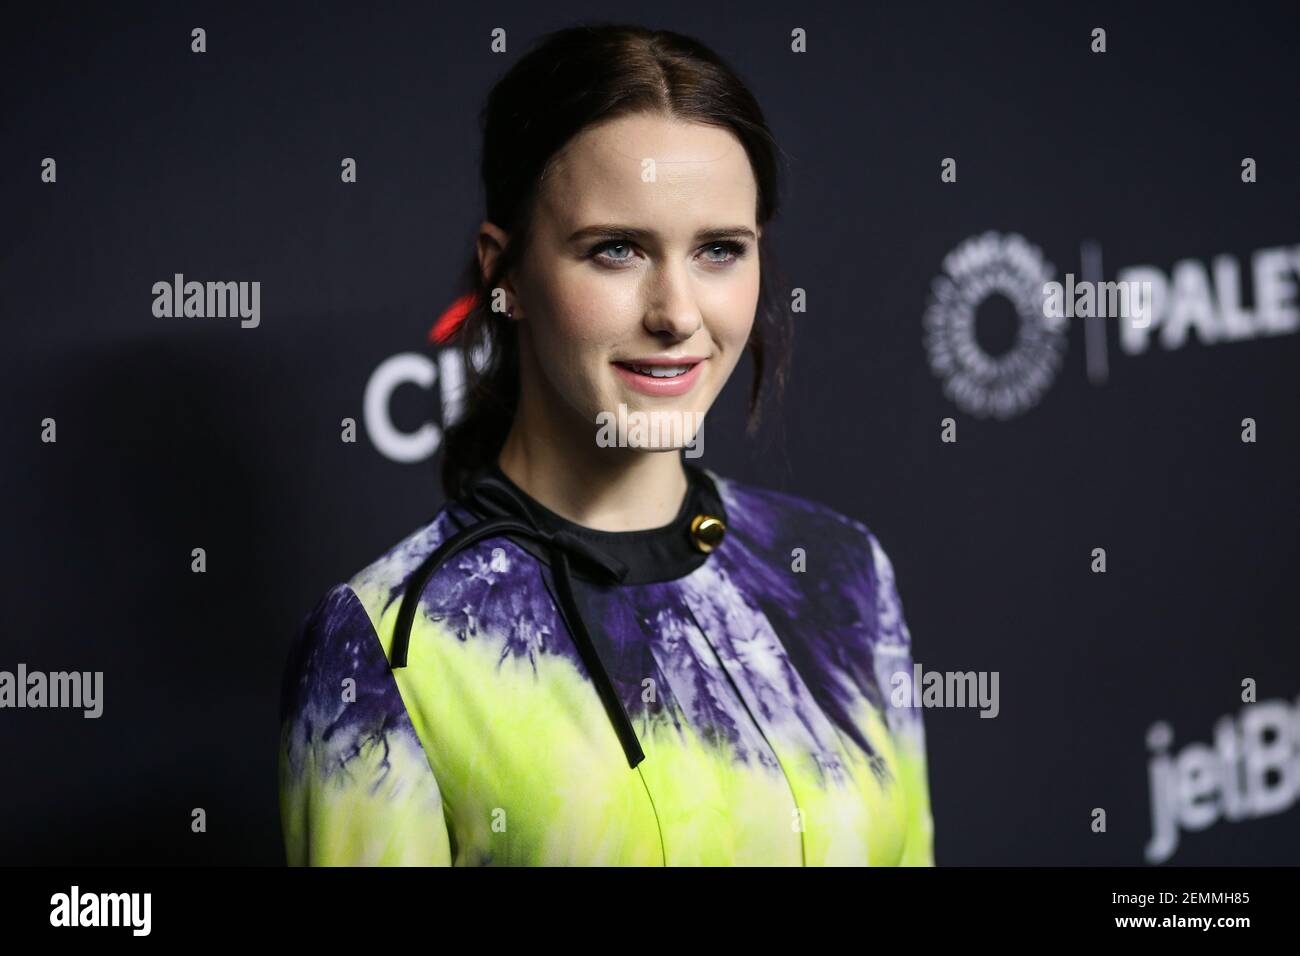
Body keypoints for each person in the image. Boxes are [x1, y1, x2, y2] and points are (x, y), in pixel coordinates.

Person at [277, 22, 935, 866]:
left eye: (719, 251)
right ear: (503, 272)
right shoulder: (388, 646)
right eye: (617, 250)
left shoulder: (842, 573)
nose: (678, 313)